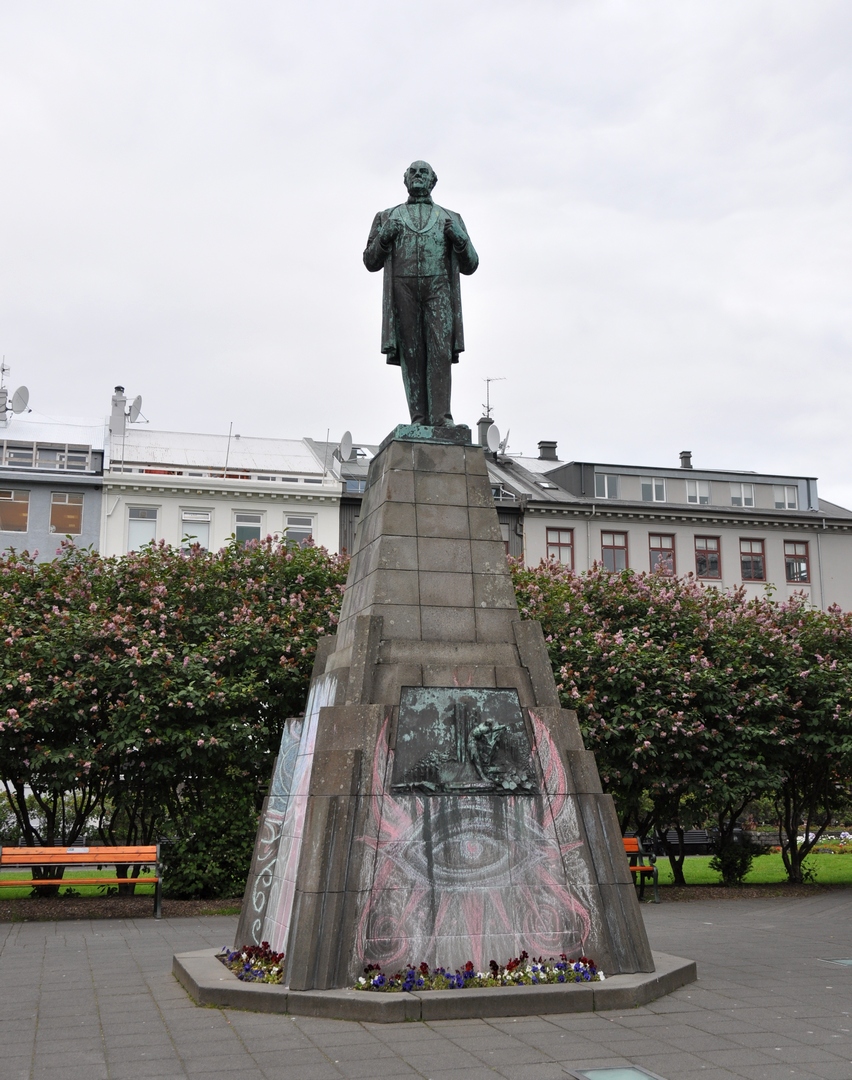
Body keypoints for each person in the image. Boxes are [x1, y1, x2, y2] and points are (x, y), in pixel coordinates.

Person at [363, 161, 478, 427]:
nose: (417, 175)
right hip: (403, 288)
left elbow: (471, 264)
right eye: (412, 172)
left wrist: (459, 238)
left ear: (432, 181)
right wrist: (383, 238)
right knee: (412, 356)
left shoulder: (451, 217)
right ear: (405, 179)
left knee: (439, 353)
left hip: (438, 288)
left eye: (423, 172)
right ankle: (418, 419)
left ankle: (441, 418)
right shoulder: (386, 216)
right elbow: (370, 262)